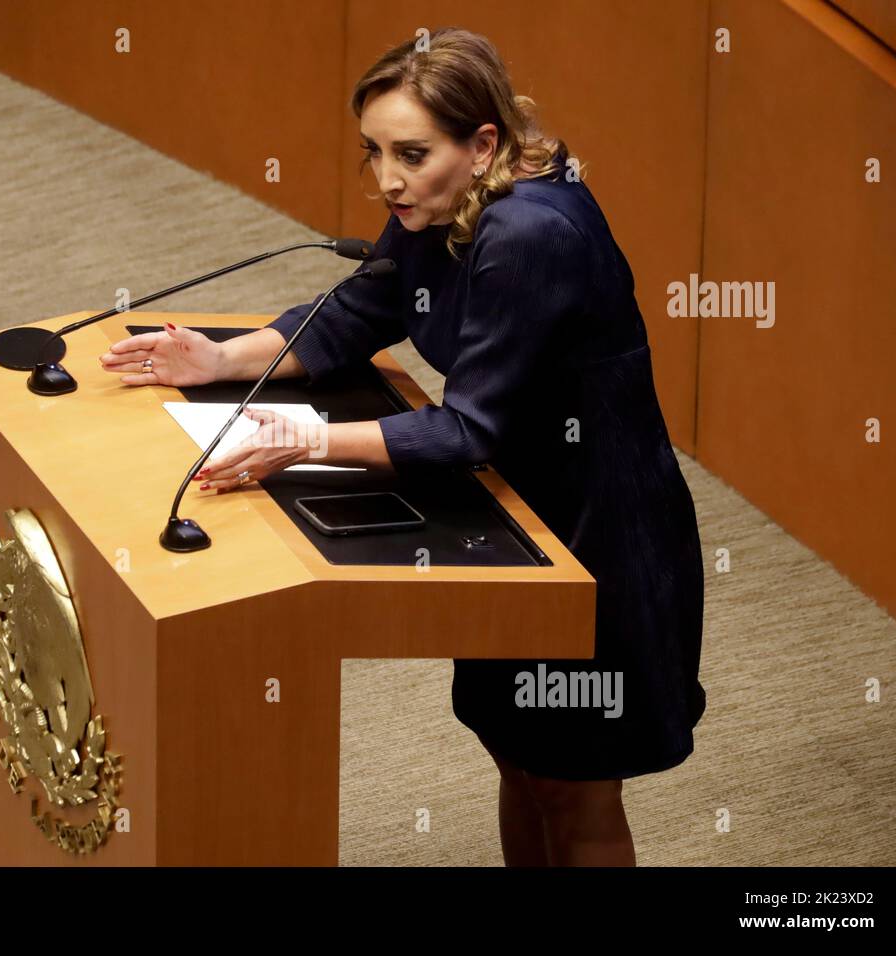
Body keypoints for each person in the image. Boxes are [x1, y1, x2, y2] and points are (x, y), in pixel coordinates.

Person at [99, 27, 705, 867]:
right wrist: (220, 359)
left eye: (411, 154)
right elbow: (365, 310)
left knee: (576, 788)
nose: (387, 179)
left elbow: (469, 429)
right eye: (373, 152)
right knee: (520, 758)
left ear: (482, 142)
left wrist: (303, 439)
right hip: (513, 523)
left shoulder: (530, 234)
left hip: (596, 541)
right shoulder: (445, 199)